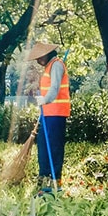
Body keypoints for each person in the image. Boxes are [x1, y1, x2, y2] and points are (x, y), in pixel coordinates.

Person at [31, 40, 68, 193]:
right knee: (43, 145)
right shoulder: (48, 66)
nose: (38, 60)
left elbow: (55, 87)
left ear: (47, 54)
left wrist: (45, 99)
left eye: (40, 57)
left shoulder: (57, 65)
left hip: (57, 113)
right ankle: (44, 177)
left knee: (54, 147)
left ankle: (55, 181)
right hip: (48, 113)